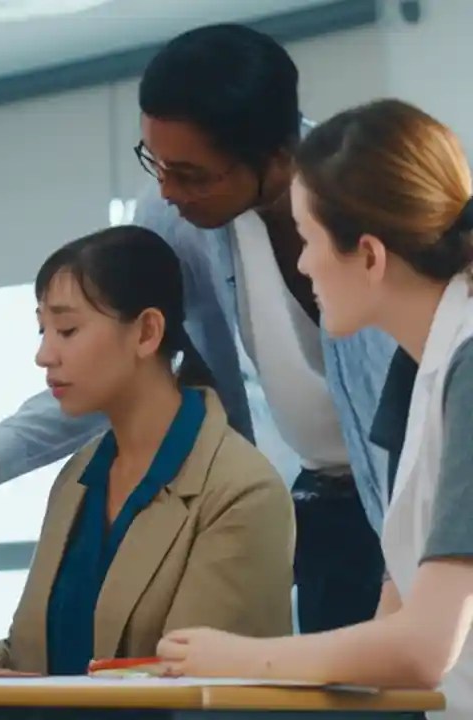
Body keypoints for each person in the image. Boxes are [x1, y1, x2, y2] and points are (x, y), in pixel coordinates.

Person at [0, 22, 396, 635]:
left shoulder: (372, 201)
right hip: (321, 504)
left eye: (191, 173)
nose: (167, 189)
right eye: (155, 162)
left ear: (277, 156)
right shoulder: (176, 219)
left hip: (416, 504)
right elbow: (121, 364)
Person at [0, 226, 293, 678]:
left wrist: (38, 698)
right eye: (42, 331)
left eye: (66, 331)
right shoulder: (81, 476)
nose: (45, 355)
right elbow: (26, 654)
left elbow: (190, 683)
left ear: (147, 333)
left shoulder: (241, 493)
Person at [158, 99, 473, 716]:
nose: (300, 264)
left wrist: (236, 656)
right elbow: (396, 618)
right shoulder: (417, 370)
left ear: (371, 256)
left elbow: (422, 649)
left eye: (307, 240)